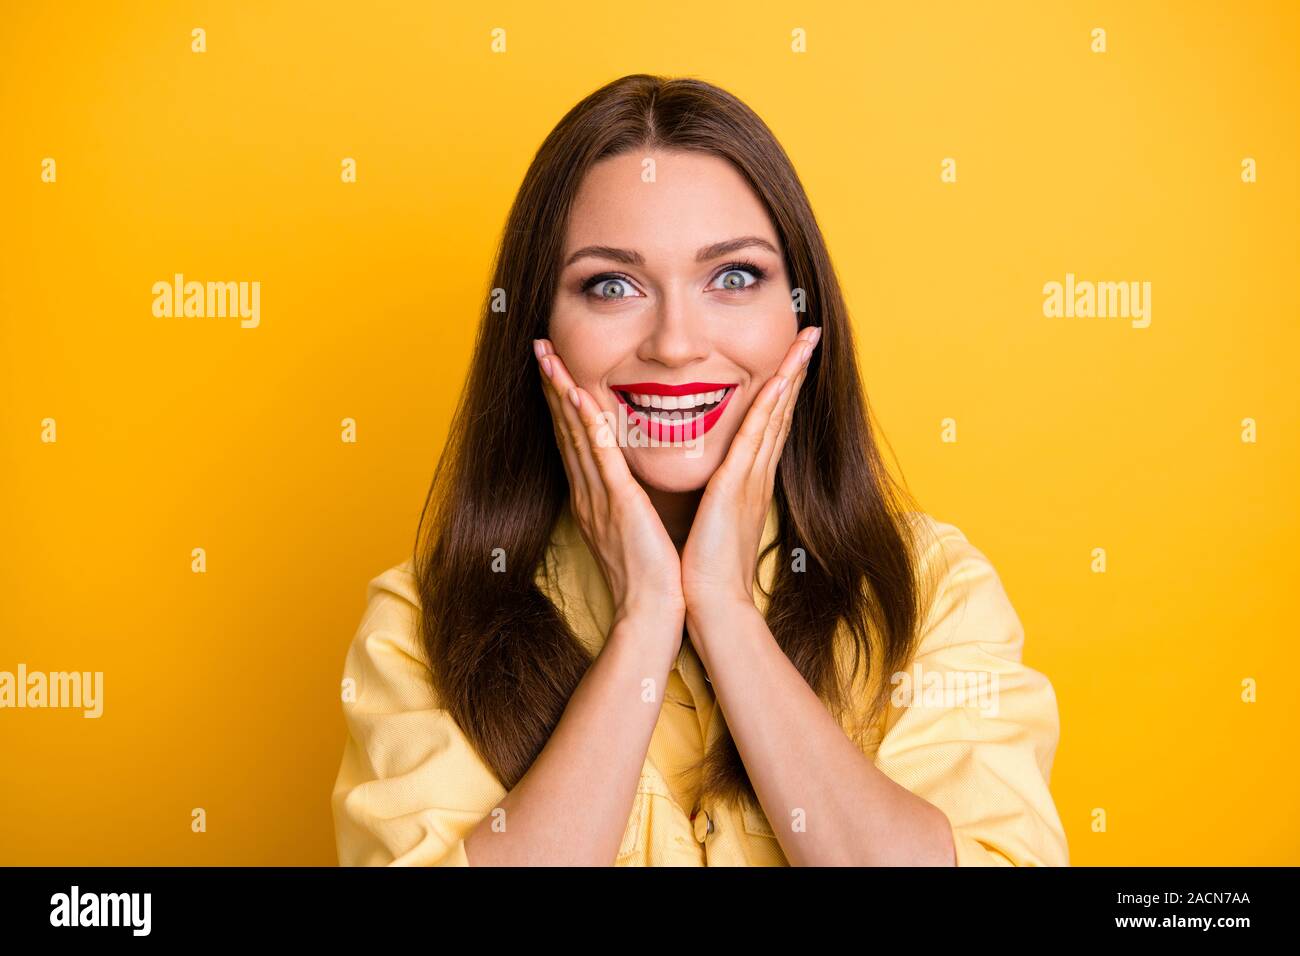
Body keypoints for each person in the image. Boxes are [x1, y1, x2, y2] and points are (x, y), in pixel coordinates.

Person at [331, 73, 1069, 866]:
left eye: (734, 277)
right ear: (538, 330)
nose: (676, 344)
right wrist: (645, 620)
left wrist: (725, 614)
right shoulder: (420, 626)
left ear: (801, 312)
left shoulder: (930, 594)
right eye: (611, 285)